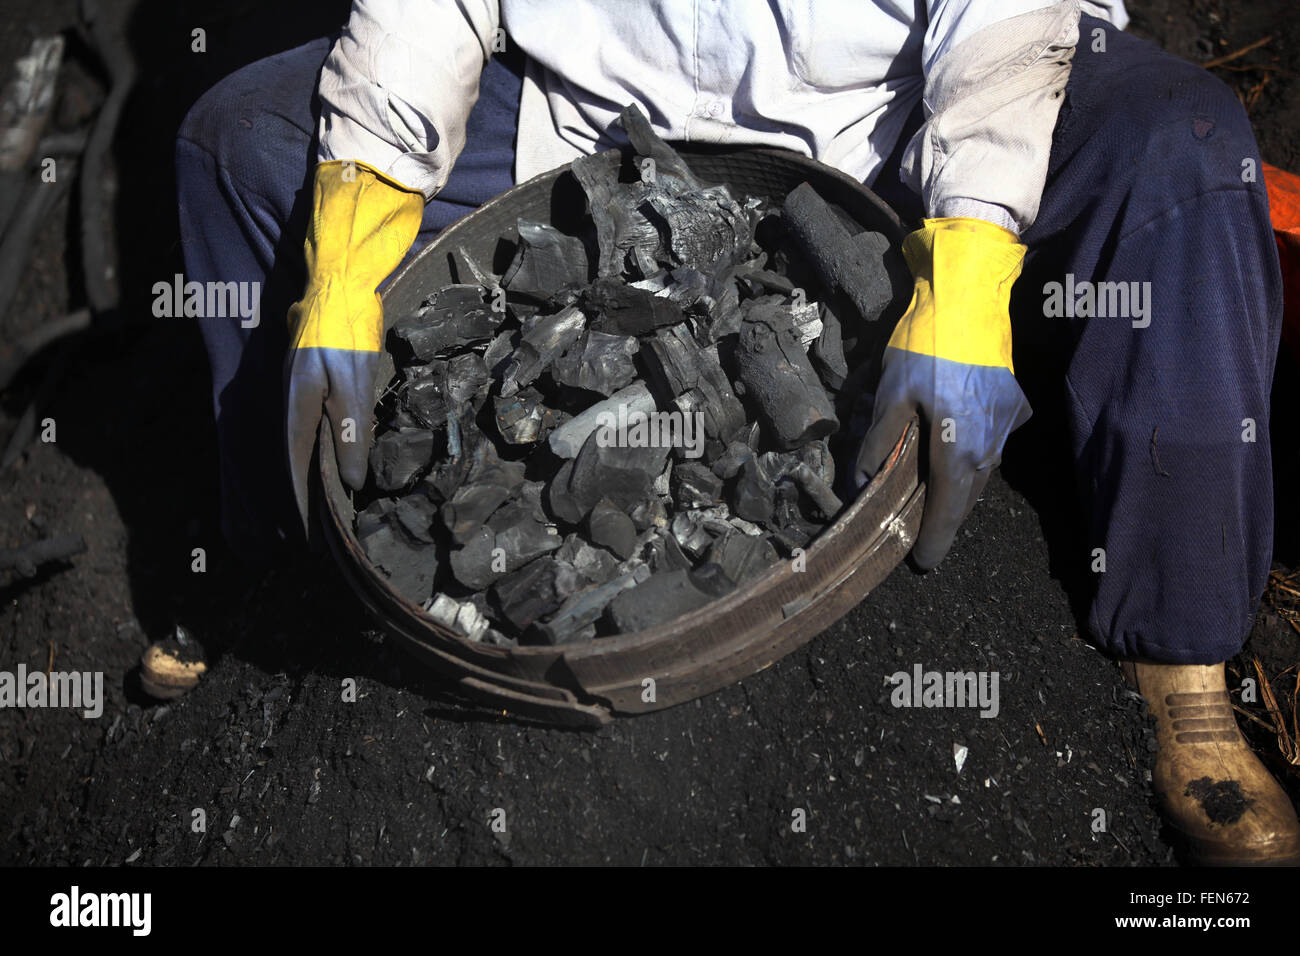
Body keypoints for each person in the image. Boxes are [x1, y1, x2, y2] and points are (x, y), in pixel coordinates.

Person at [175, 0, 1298, 864]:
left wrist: (964, 264)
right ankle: (287, 559)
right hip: (589, 100)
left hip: (897, 112)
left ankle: (1182, 655)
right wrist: (356, 221)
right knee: (239, 144)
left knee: (1185, 151)